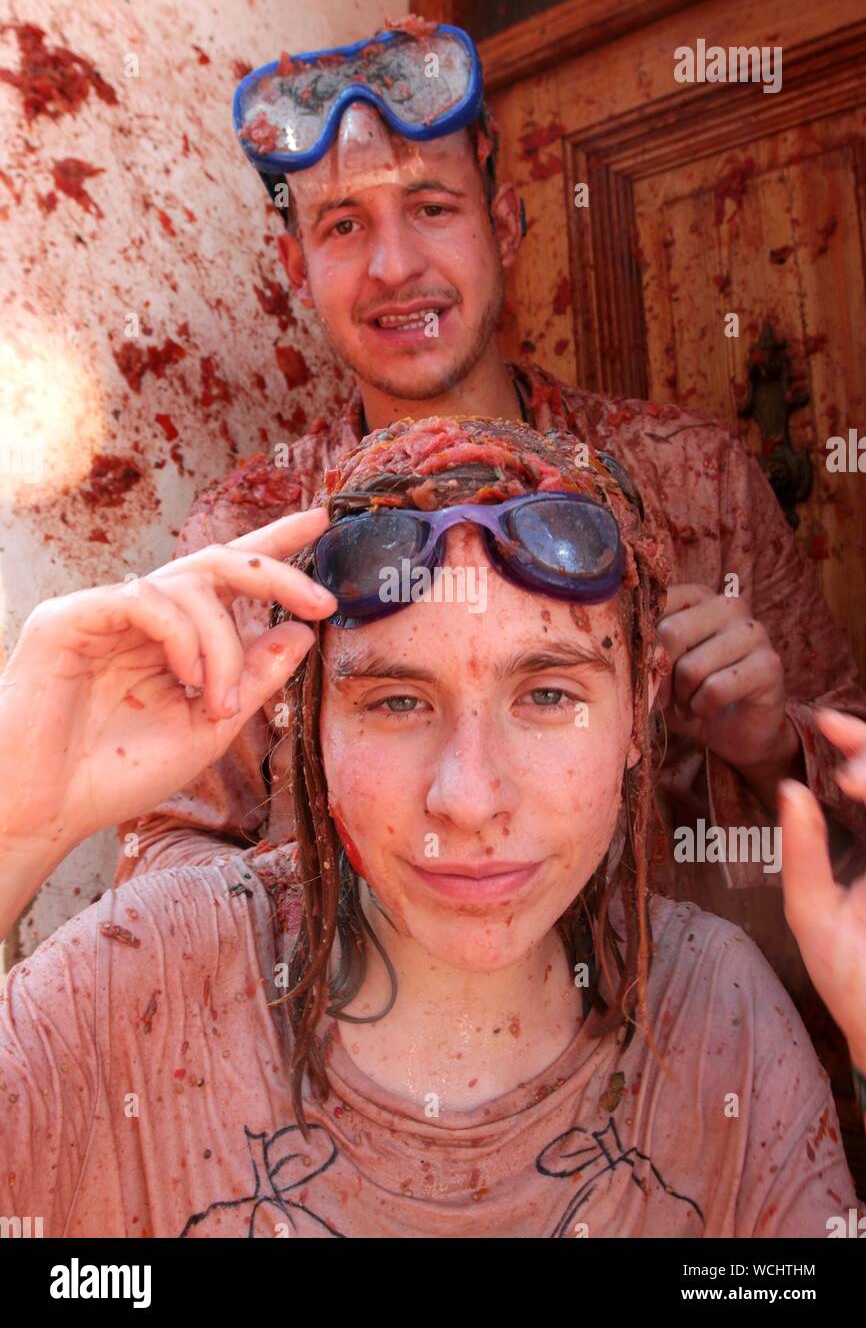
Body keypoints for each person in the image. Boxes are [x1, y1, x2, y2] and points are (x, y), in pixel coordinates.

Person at [117, 20, 866, 972]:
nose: (394, 266)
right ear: (297, 269)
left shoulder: (694, 476)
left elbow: (855, 800)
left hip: (674, 1070)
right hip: (362, 1093)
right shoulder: (251, 530)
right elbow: (156, 863)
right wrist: (347, 879)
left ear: (504, 227)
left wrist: (767, 748)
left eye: (432, 207)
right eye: (345, 225)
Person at [1, 416, 864, 1238]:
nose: (469, 797)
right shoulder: (137, 985)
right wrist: (16, 827)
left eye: (548, 696)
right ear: (309, 719)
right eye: (399, 701)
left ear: (640, 715)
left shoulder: (721, 1014)